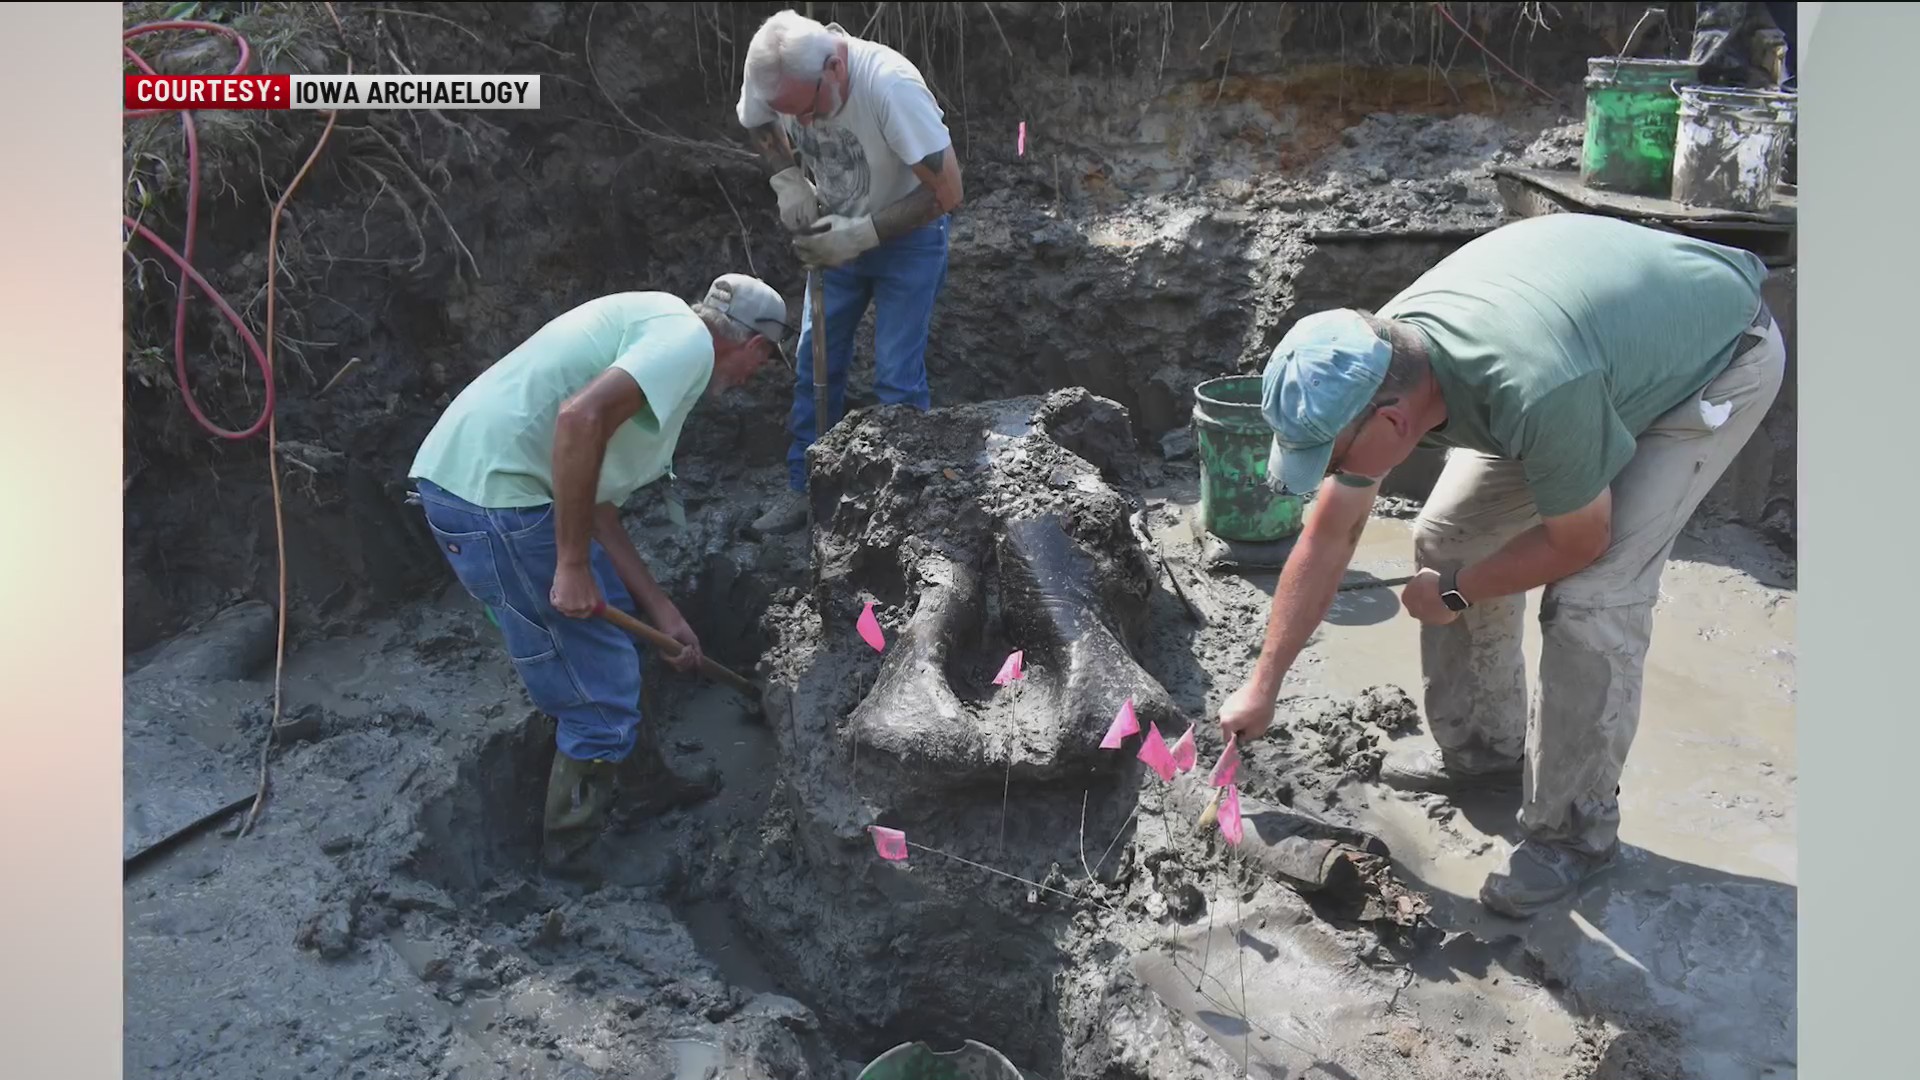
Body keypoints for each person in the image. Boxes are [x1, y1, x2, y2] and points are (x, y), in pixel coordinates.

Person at [1217, 214, 1784, 919]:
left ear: (1394, 424)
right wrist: (1262, 684)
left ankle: (1575, 834)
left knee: (1591, 598)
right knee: (1450, 533)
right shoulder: (1376, 359)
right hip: (1589, 354)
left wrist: (1456, 593)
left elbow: (1580, 540)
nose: (1329, 477)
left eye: (1330, 459)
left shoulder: (1532, 387)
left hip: (1715, 359)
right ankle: (1484, 750)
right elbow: (1329, 535)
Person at [406, 274, 794, 885]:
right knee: (598, 689)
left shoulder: (660, 327)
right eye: (763, 364)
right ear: (752, 346)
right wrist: (571, 564)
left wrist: (660, 608)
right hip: (495, 502)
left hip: (493, 485)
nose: (752, 379)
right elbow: (578, 419)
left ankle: (642, 786)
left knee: (609, 636)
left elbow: (595, 494)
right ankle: (572, 857)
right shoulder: (687, 345)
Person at [733, 9, 964, 536]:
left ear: (835, 67)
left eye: (808, 110)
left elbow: (949, 193)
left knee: (897, 379)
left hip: (909, 240)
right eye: (795, 116)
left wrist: (860, 237)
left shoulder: (892, 89)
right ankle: (805, 488)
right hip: (831, 235)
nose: (807, 125)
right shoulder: (771, 65)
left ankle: (907, 506)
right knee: (815, 365)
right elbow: (758, 121)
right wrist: (789, 180)